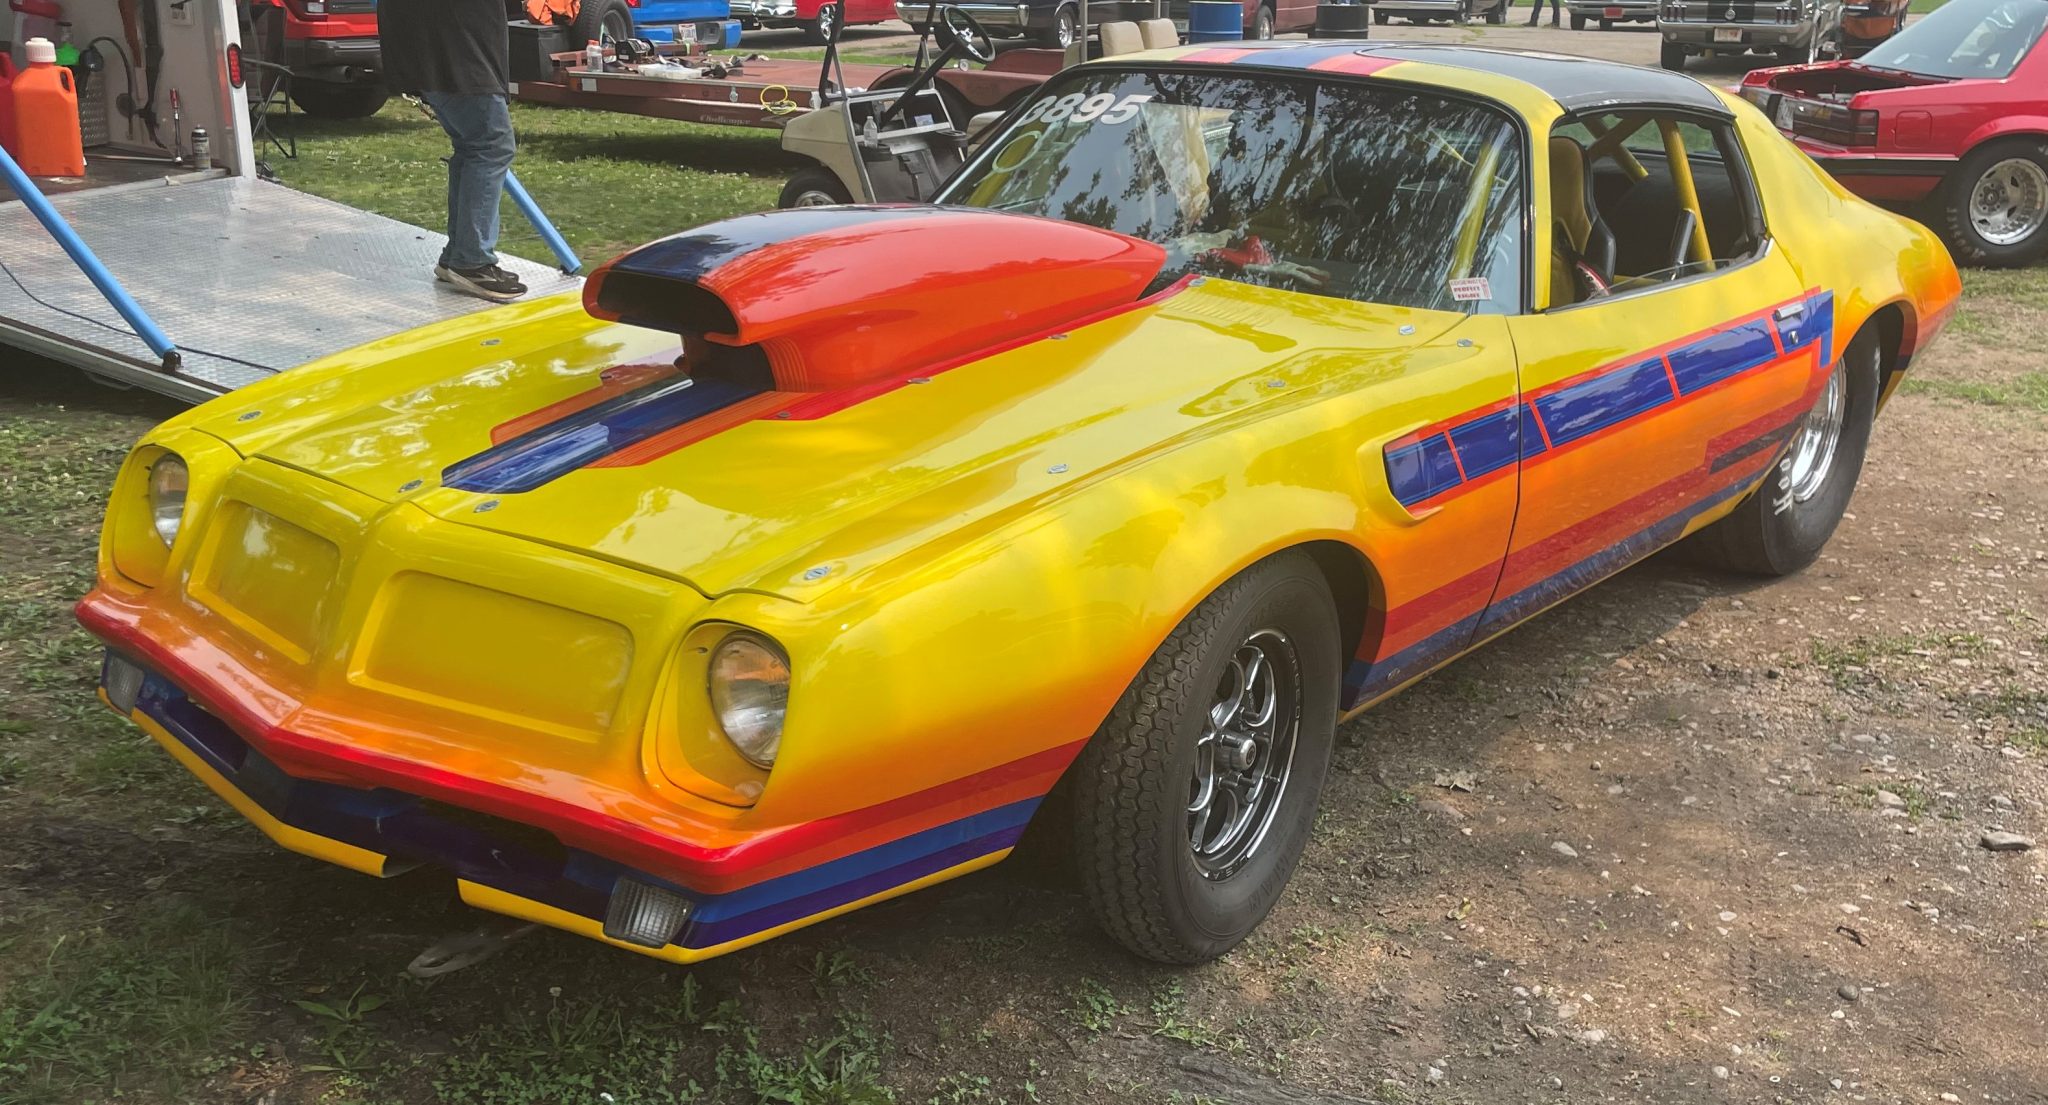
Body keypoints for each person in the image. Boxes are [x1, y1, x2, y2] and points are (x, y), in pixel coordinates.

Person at [378, 0, 528, 302]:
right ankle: (472, 261)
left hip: (441, 53)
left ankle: (458, 256)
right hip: (456, 56)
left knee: (472, 147)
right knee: (491, 145)